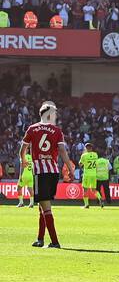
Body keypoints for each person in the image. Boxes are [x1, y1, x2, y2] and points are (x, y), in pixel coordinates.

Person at [21, 101, 73, 248]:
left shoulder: (32, 129)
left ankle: (55, 242)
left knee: (46, 208)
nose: (56, 116)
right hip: (53, 173)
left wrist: (23, 160)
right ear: (49, 114)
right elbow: (62, 151)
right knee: (42, 206)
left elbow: (23, 149)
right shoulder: (57, 131)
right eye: (54, 113)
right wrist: (69, 168)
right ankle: (40, 239)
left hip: (41, 173)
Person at [80, 143, 103, 209]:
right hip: (93, 174)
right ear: (91, 148)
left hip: (87, 174)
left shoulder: (84, 155)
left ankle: (86, 205)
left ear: (86, 148)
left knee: (85, 189)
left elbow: (80, 164)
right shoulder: (95, 154)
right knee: (93, 190)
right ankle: (100, 198)